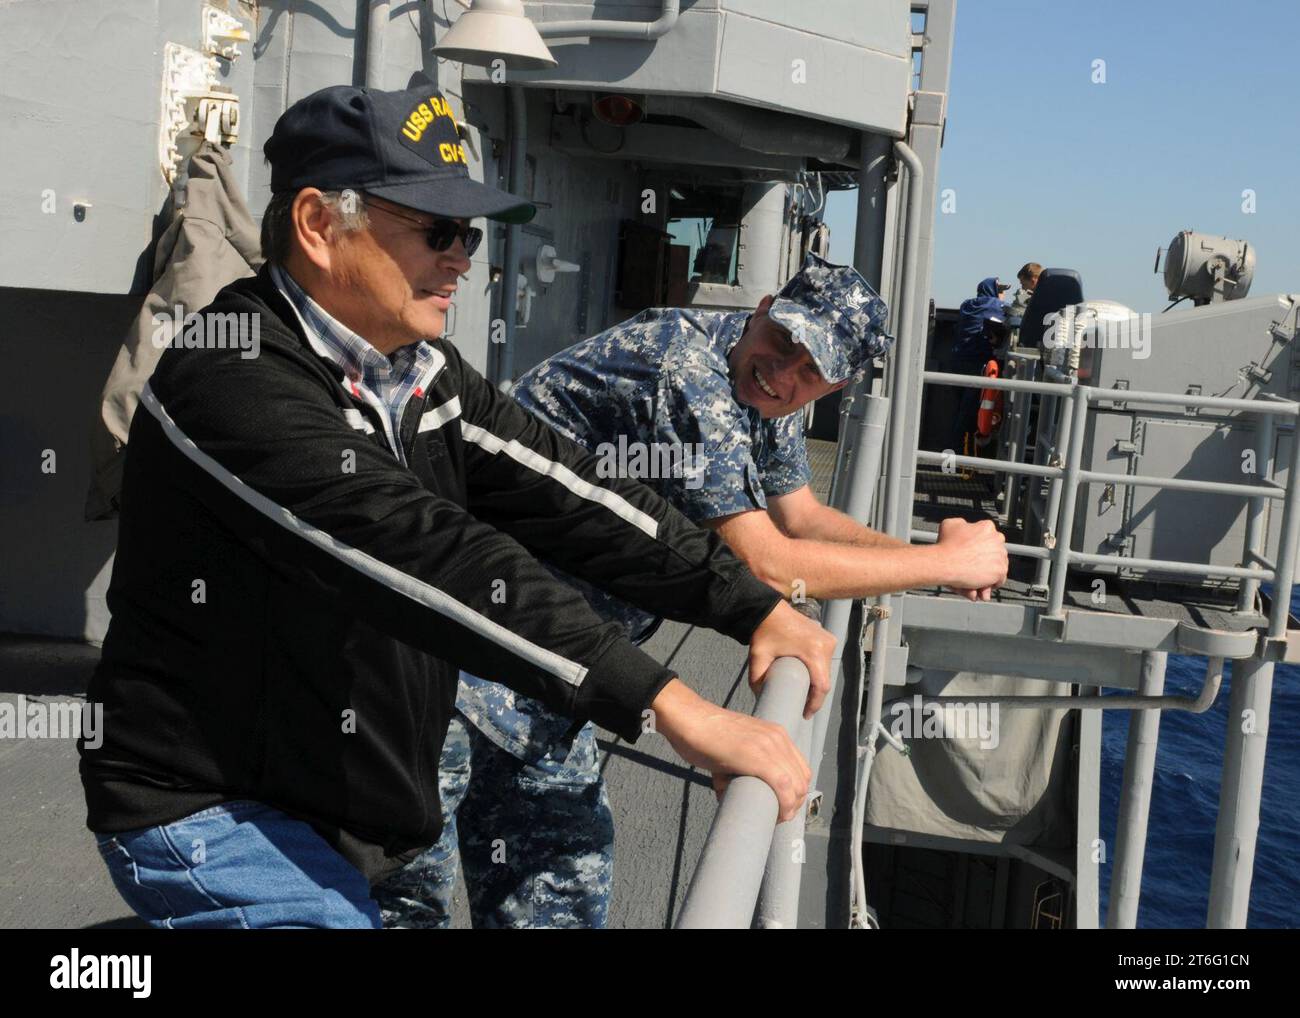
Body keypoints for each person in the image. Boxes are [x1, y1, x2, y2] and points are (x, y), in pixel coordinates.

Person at [78, 84, 836, 929]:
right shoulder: (233, 379)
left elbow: (573, 492)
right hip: (217, 809)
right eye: (437, 231)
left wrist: (748, 605)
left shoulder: (417, 372)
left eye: (470, 234)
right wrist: (675, 705)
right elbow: (427, 553)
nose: (463, 258)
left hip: (353, 804)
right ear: (320, 227)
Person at [376, 253, 1010, 928]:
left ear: (838, 384)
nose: (784, 371)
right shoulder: (687, 370)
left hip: (551, 675)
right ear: (763, 308)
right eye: (784, 341)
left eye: (811, 371)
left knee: (558, 900)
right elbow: (766, 565)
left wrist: (938, 556)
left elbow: (798, 516)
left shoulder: (765, 382)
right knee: (406, 908)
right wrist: (946, 565)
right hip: (448, 660)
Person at [1007, 262, 1042, 344]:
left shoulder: (1036, 299)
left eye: (1023, 284)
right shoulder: (1047, 295)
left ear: (1033, 281)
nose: (1022, 287)